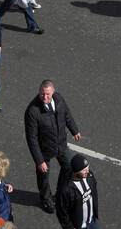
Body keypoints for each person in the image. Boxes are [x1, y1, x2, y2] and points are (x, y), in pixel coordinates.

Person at [24, 80, 81, 214]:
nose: (45, 97)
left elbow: (66, 115)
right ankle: (45, 199)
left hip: (61, 144)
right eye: (42, 94)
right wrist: (39, 161)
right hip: (44, 149)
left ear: (53, 92)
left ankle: (60, 192)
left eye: (47, 94)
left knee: (69, 166)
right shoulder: (32, 111)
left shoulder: (59, 99)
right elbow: (31, 138)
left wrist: (74, 130)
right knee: (43, 176)